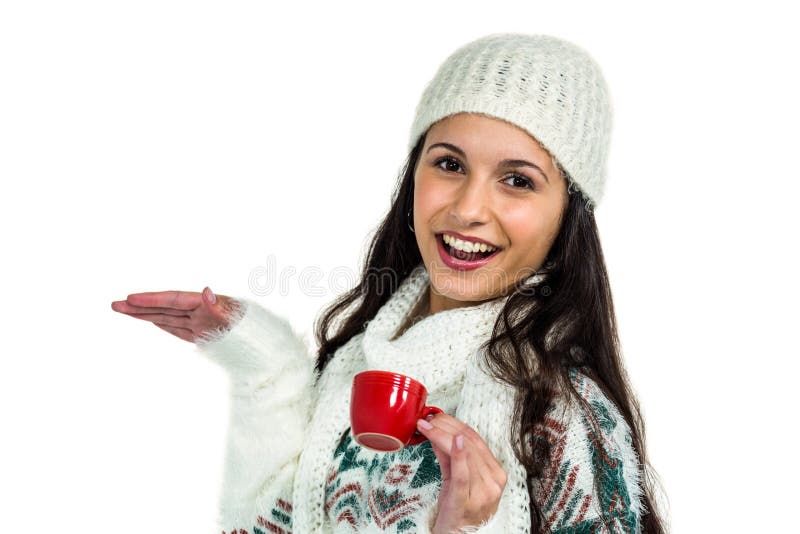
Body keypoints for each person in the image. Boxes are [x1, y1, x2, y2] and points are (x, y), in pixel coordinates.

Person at [111, 33, 666, 533]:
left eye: (517, 180)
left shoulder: (563, 411)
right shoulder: (357, 364)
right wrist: (267, 365)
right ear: (413, 178)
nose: (469, 208)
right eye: (449, 164)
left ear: (567, 217)